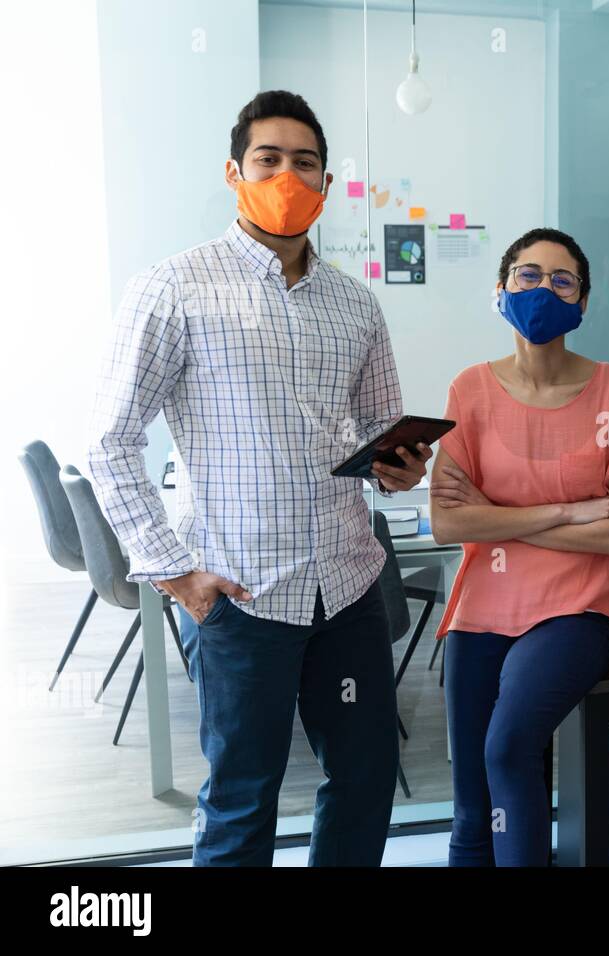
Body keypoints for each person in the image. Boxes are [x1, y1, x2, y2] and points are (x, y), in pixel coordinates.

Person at [87, 90, 430, 866]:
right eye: (268, 159)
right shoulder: (174, 287)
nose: (286, 175)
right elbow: (110, 441)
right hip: (241, 594)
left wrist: (398, 468)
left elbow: (378, 443)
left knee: (366, 779)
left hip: (347, 590)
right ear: (235, 171)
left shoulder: (355, 304)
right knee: (244, 796)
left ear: (326, 180)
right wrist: (176, 573)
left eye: (304, 162)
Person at [427, 227, 609, 866]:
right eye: (527, 275)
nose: (542, 289)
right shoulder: (470, 390)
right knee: (472, 807)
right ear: (501, 291)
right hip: (485, 601)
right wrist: (563, 510)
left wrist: (494, 514)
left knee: (507, 747)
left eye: (562, 280)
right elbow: (447, 525)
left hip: (579, 605)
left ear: (582, 303)